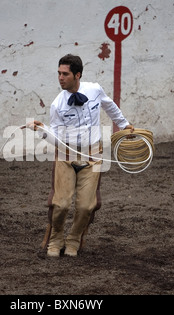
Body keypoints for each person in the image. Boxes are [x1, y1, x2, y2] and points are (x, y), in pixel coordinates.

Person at [26, 54, 134, 257]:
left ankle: (74, 239)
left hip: (93, 155)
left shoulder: (94, 90)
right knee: (61, 203)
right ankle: (56, 239)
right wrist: (41, 130)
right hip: (66, 156)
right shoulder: (57, 105)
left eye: (64, 74)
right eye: (58, 73)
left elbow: (109, 106)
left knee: (86, 206)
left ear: (77, 75)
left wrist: (124, 124)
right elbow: (56, 137)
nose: (60, 78)